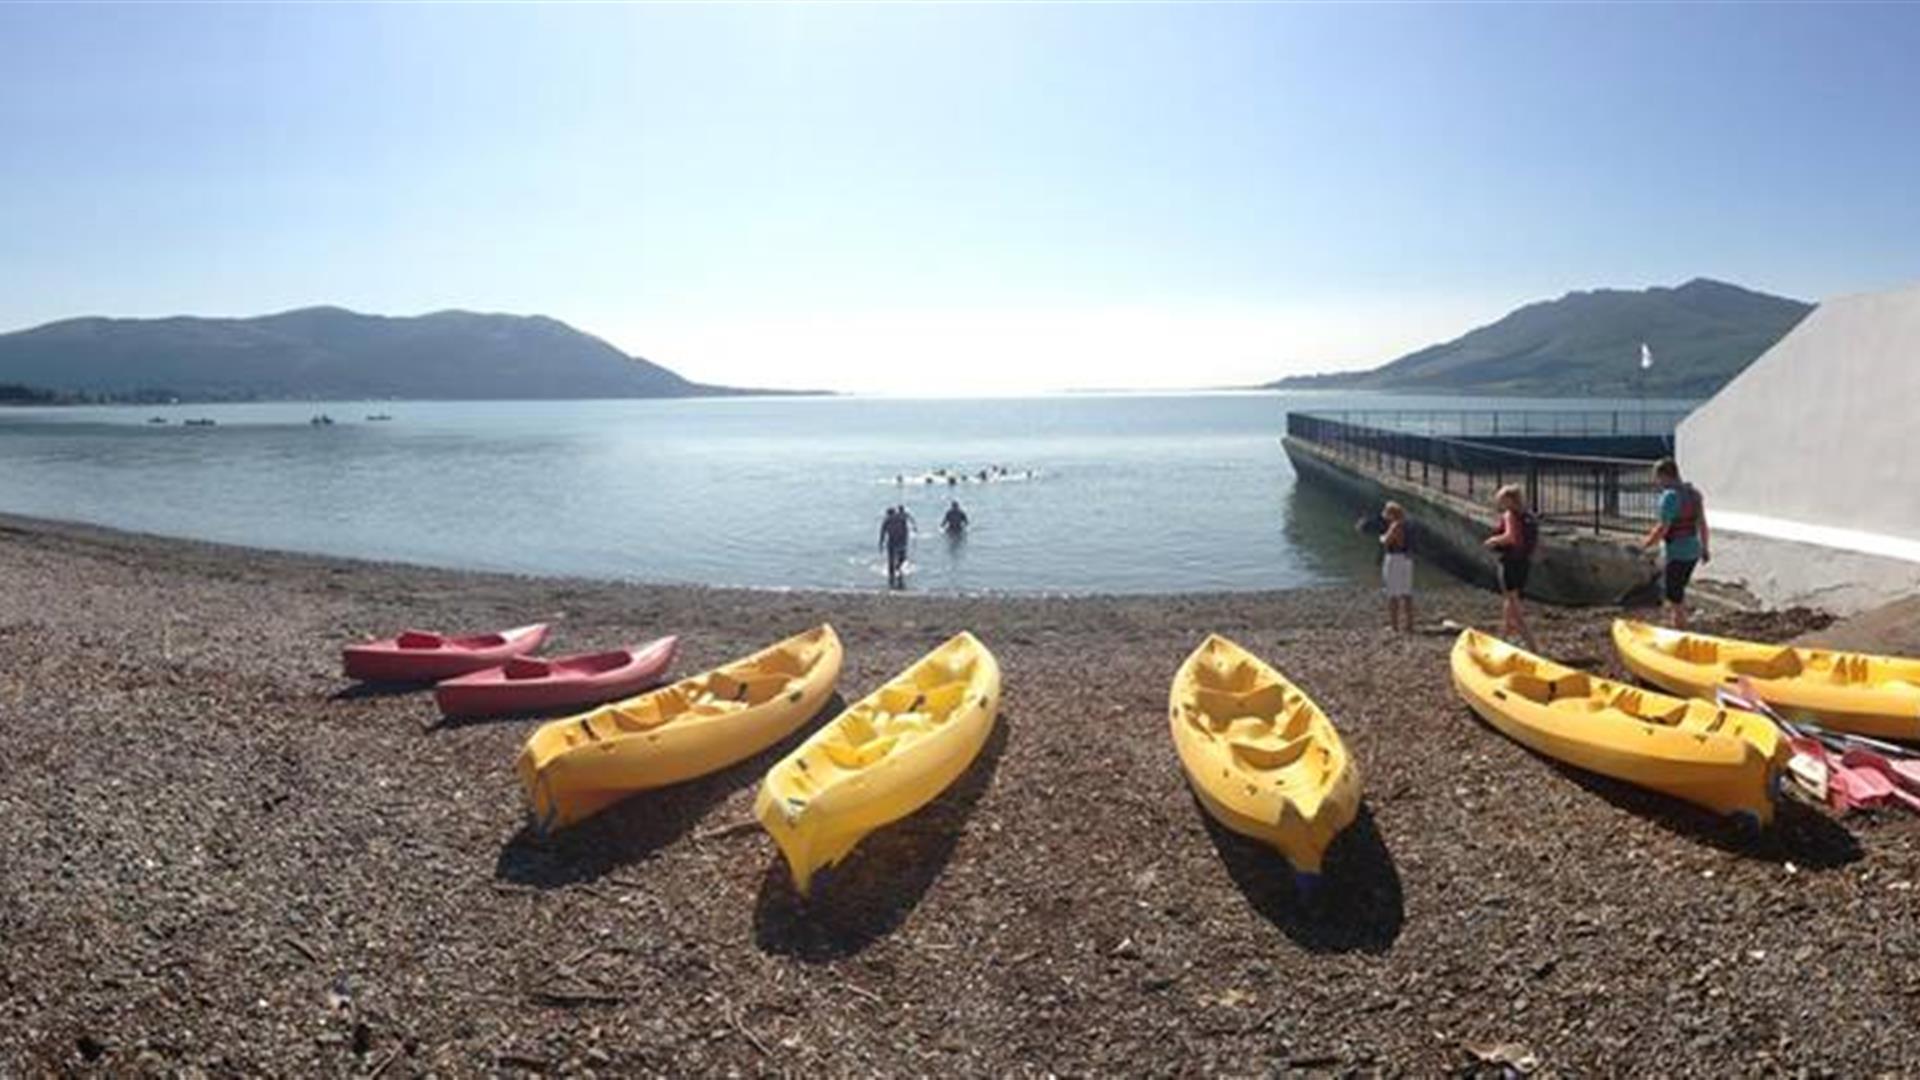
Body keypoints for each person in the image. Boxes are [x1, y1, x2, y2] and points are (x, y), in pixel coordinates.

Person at [1641, 458, 1709, 629]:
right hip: (1693, 551)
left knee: (1673, 593)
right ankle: (1678, 622)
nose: (1657, 482)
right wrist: (1705, 548)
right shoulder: (1694, 494)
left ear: (1664, 475)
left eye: (1657, 478)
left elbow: (1663, 528)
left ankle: (1680, 627)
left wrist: (1646, 544)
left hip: (1677, 553)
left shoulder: (1670, 497)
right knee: (1677, 589)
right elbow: (1702, 524)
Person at [1483, 484, 1539, 651]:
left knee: (1515, 609)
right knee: (1510, 601)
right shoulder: (1528, 516)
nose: (1499, 503)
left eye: (1501, 500)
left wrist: (1493, 541)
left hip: (1510, 564)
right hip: (1523, 564)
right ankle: (1503, 639)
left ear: (1509, 500)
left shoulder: (1510, 515)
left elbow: (1511, 537)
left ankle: (1533, 648)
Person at [1367, 501, 1415, 633]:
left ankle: (1394, 626)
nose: (1385, 516)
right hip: (1407, 559)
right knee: (1406, 593)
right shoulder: (1408, 525)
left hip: (1395, 559)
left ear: (1392, 514)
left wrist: (1381, 537)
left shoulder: (1395, 525)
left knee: (1393, 593)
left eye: (1387, 513)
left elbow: (1387, 541)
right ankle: (1409, 624)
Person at [879, 506, 912, 589]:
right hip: (897, 541)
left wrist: (881, 543)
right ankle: (895, 575)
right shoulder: (891, 520)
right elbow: (883, 532)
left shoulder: (895, 519)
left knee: (896, 559)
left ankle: (893, 579)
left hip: (895, 542)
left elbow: (882, 533)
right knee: (899, 558)